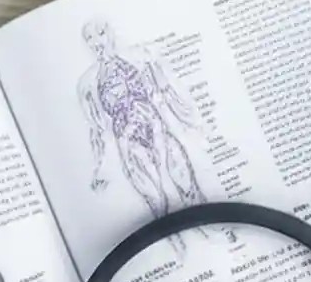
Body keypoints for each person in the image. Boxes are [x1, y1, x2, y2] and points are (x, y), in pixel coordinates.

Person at [77, 20, 218, 249]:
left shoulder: (141, 56)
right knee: (158, 204)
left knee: (188, 185)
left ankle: (216, 234)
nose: (96, 42)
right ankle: (180, 253)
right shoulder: (88, 82)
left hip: (157, 128)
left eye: (100, 33)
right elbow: (96, 130)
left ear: (111, 32)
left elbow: (166, 91)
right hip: (129, 143)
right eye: (89, 38)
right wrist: (98, 168)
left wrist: (191, 122)